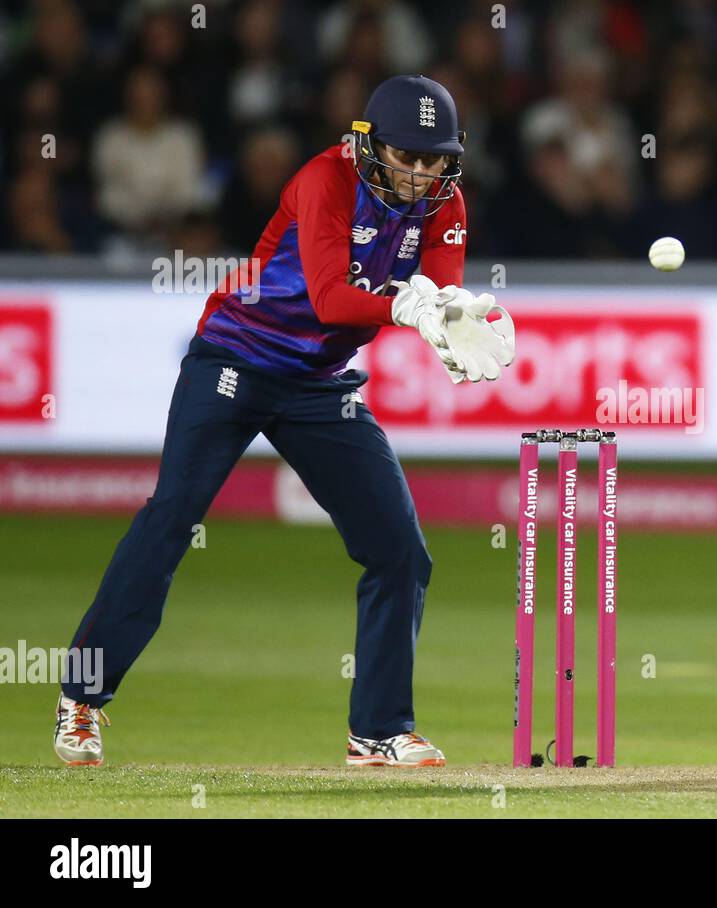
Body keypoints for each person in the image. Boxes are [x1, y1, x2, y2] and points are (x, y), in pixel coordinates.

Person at [54, 75, 515, 768]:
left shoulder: (446, 204)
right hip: (234, 357)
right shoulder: (324, 180)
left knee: (399, 550)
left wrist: (451, 320)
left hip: (320, 383)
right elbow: (331, 300)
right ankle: (82, 700)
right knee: (172, 516)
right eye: (406, 156)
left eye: (434, 159)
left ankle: (380, 731)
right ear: (369, 144)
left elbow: (441, 290)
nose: (420, 174)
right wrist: (407, 311)